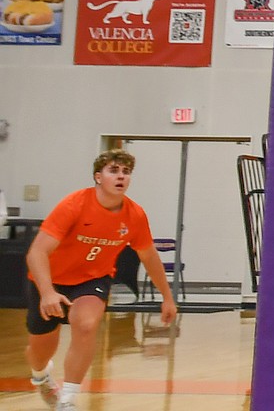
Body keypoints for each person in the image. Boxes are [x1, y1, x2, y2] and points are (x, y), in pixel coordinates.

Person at [26, 150, 178, 411]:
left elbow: (150, 257)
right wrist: (48, 292)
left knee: (86, 324)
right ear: (98, 177)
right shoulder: (74, 205)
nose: (120, 176)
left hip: (92, 280)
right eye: (113, 170)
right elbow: (37, 252)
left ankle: (68, 400)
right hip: (50, 281)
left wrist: (167, 296)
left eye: (126, 172)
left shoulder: (134, 215)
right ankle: (40, 375)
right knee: (40, 349)